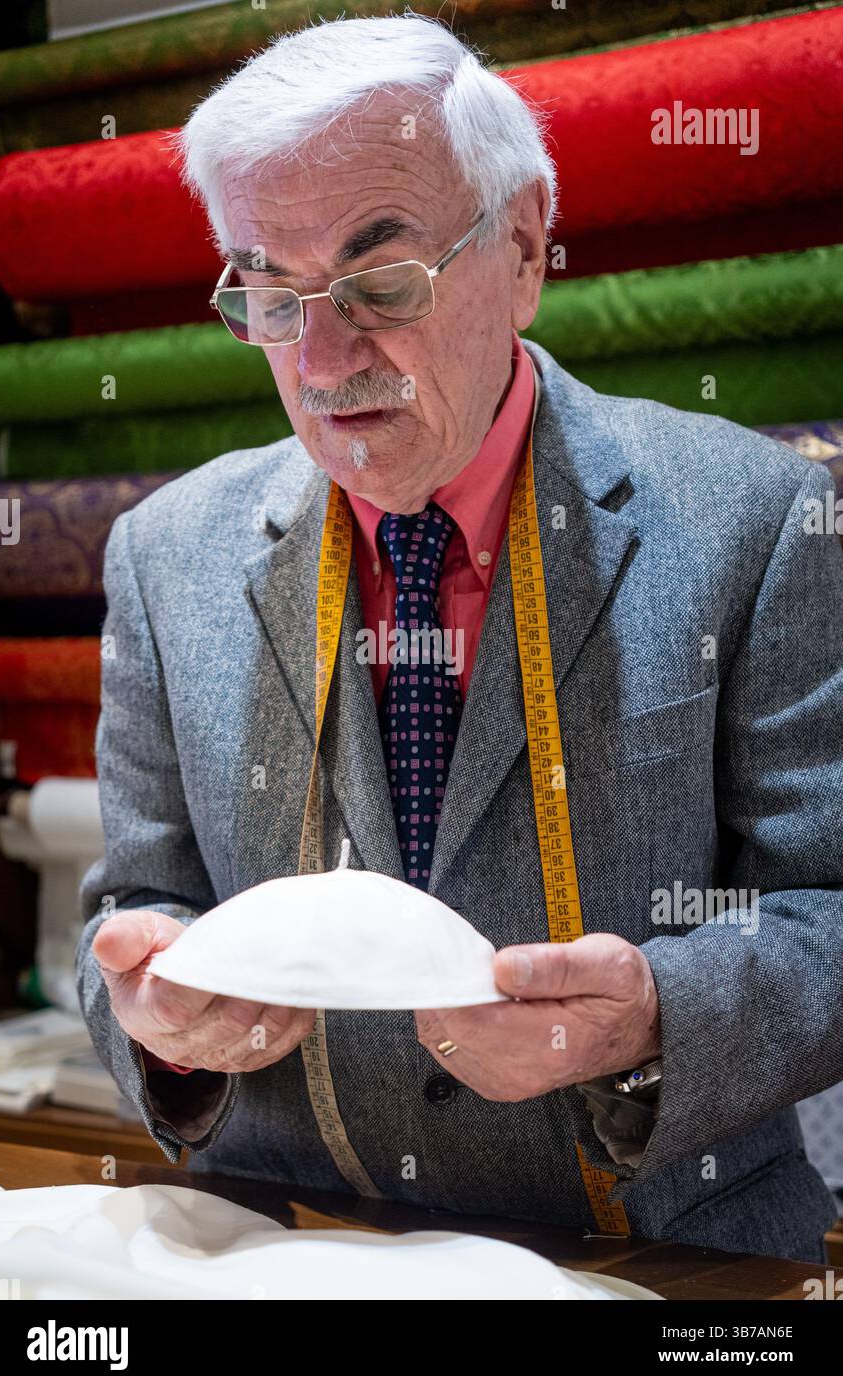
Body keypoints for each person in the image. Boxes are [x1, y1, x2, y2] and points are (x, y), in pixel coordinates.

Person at [77, 13, 843, 1261]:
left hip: (650, 1256)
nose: (322, 358)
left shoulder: (755, 519)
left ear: (527, 247)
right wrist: (160, 1036)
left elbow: (829, 901)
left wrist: (653, 1016)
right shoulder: (163, 554)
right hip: (279, 1253)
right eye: (270, 290)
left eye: (378, 284)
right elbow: (132, 913)